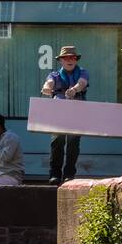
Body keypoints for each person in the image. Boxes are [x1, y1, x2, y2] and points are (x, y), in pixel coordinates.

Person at [41, 46, 89, 185]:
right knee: (57, 142)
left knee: (73, 144)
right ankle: (54, 174)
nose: (70, 60)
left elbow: (82, 83)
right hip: (58, 115)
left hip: (77, 113)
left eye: (72, 57)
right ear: (61, 60)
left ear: (76, 60)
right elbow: (48, 83)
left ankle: (69, 175)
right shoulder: (54, 75)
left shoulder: (83, 72)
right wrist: (47, 88)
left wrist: (74, 89)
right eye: (66, 58)